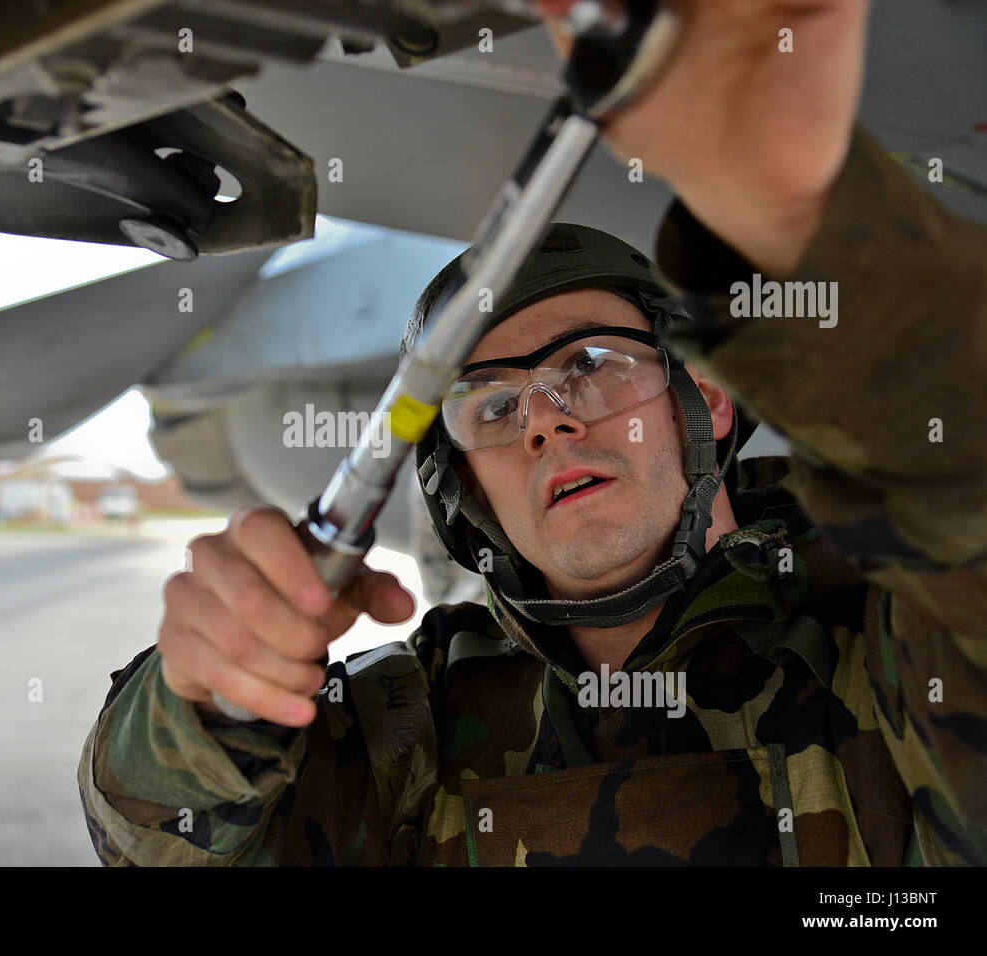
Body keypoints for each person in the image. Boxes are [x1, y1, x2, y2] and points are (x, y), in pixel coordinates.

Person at [78, 0, 986, 865]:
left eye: (592, 364)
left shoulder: (882, 642)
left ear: (703, 404)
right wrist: (196, 706)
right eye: (494, 407)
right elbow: (157, 844)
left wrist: (798, 221)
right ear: (468, 486)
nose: (547, 419)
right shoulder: (407, 721)